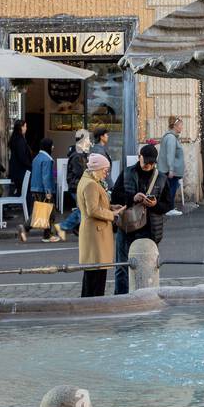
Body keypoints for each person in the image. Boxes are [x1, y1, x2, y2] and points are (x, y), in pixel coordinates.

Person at [111, 144, 172, 295]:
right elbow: (115, 197)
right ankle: (122, 297)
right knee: (122, 266)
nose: (148, 166)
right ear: (139, 157)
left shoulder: (161, 178)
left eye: (152, 163)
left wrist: (155, 205)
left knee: (148, 265)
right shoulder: (126, 173)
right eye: (146, 162)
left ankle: (145, 296)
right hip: (127, 227)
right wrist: (132, 198)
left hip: (150, 229)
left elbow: (169, 204)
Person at [77, 154, 125, 298]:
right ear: (97, 169)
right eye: (105, 170)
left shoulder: (88, 180)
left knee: (92, 274)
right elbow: (92, 210)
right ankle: (94, 306)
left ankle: (88, 304)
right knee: (96, 275)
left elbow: (94, 205)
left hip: (93, 233)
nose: (107, 173)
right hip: (96, 234)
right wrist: (112, 215)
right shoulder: (91, 184)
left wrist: (110, 206)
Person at [19, 137, 60, 243]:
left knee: (42, 212)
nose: (53, 147)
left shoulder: (37, 158)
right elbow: (46, 177)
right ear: (48, 147)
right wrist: (48, 192)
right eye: (52, 145)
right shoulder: (48, 159)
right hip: (44, 190)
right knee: (48, 212)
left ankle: (46, 235)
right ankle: (28, 229)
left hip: (35, 188)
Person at [59, 128, 92, 238]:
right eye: (87, 139)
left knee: (82, 209)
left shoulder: (80, 154)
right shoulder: (77, 156)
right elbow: (80, 173)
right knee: (83, 209)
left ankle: (75, 228)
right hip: (77, 186)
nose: (89, 141)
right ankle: (63, 226)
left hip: (78, 185)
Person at [158, 115, 185, 216]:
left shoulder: (171, 137)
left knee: (171, 188)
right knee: (171, 189)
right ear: (175, 126)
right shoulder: (171, 138)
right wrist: (171, 169)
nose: (182, 128)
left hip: (171, 169)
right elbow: (170, 154)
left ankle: (169, 206)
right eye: (181, 125)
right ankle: (169, 208)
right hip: (171, 170)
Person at [8, 121, 32, 196]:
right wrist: (30, 165)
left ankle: (19, 206)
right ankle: (23, 207)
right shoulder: (20, 140)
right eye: (25, 126)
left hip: (16, 169)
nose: (26, 128)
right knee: (24, 192)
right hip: (21, 171)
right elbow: (22, 157)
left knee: (19, 190)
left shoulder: (15, 138)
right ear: (21, 127)